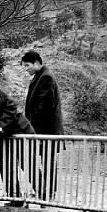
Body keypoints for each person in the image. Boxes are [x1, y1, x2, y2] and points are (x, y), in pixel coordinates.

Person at [22, 50, 64, 201]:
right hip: (41, 129)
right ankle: (44, 190)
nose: (25, 68)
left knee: (48, 162)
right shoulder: (40, 76)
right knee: (45, 161)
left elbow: (45, 106)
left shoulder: (45, 77)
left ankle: (49, 192)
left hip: (46, 130)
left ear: (37, 63)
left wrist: (32, 127)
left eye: (27, 65)